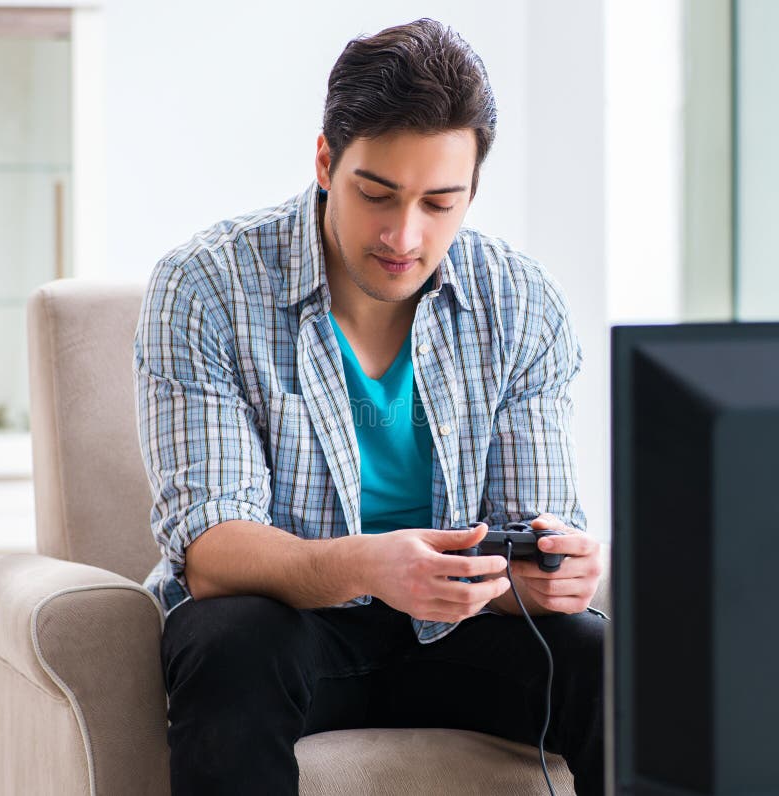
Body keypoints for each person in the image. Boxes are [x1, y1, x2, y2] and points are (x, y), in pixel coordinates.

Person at [133, 17, 605, 796]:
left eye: (440, 204)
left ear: (472, 193)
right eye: (376, 193)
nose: (404, 235)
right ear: (326, 159)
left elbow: (534, 531)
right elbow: (211, 548)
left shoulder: (520, 303)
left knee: (603, 656)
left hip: (462, 635)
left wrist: (559, 572)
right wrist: (370, 566)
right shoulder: (205, 287)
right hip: (286, 632)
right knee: (230, 639)